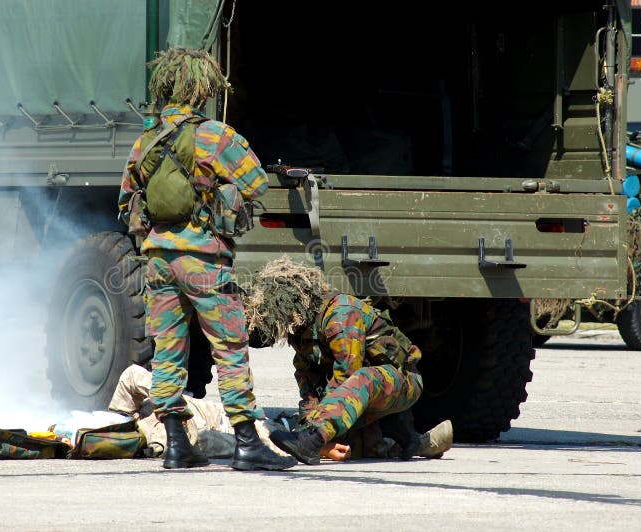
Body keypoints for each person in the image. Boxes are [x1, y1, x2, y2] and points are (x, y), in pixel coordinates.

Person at [117, 47, 295, 471]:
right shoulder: (214, 136)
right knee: (230, 348)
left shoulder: (145, 142)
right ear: (201, 88)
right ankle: (248, 442)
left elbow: (127, 202)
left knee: (167, 353)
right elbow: (256, 183)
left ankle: (177, 444)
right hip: (205, 263)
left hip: (159, 262)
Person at [243, 256, 452, 465]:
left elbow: (348, 378)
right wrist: (308, 427)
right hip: (364, 393)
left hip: (403, 382)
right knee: (359, 449)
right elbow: (309, 387)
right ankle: (407, 437)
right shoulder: (301, 330)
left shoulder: (341, 314)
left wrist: (315, 438)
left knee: (361, 379)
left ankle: (314, 439)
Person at [108, 363, 353, 461]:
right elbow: (264, 438)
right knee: (251, 437)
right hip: (210, 426)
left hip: (195, 416)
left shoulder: (129, 414)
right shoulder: (152, 437)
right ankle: (312, 443)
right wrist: (319, 448)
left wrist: (161, 400)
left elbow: (131, 375)